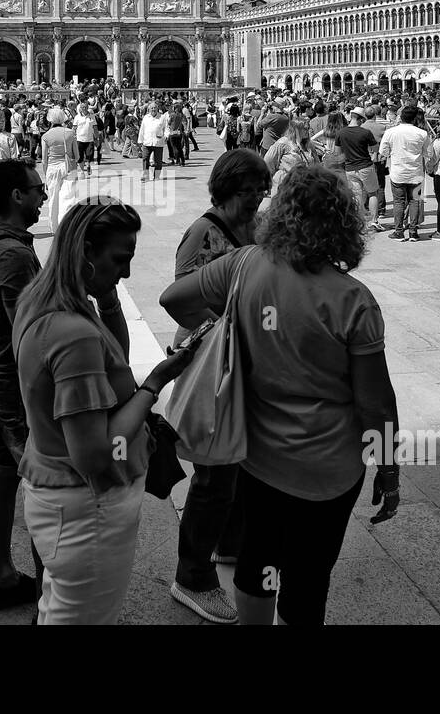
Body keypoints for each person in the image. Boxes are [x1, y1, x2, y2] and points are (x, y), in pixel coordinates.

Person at [161, 164, 401, 625]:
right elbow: (375, 403)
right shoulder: (354, 300)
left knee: (258, 559)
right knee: (309, 575)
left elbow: (174, 299)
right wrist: (388, 469)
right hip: (326, 469)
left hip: (257, 455)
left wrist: (221, 325)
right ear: (342, 222)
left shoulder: (244, 264)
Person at [13, 198, 198, 624]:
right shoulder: (73, 333)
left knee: (58, 609)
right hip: (87, 505)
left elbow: (115, 364)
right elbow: (96, 454)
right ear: (84, 253)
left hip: (54, 492)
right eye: (120, 259)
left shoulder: (41, 300)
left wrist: (110, 299)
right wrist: (156, 383)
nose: (127, 271)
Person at [166, 149, 271, 624]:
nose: (255, 199)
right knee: (212, 475)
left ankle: (229, 544)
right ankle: (192, 576)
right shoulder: (202, 231)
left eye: (259, 190)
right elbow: (178, 298)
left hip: (243, 364)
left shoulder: (257, 227)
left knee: (237, 461)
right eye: (247, 191)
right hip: (212, 362)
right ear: (225, 189)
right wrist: (222, 327)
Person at [0, 161, 48, 612]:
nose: (42, 197)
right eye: (37, 191)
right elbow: (31, 330)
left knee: (3, 473)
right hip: (17, 384)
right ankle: (48, 590)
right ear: (17, 196)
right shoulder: (14, 254)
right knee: (43, 481)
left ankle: (3, 576)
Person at [380, 105, 433, 242]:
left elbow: (383, 151)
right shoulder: (422, 133)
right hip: (415, 173)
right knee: (415, 201)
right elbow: (428, 153)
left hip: (398, 172)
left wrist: (394, 153)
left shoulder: (391, 132)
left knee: (399, 202)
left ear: (401, 117)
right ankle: (413, 231)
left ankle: (399, 231)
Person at [40, 108, 78, 233]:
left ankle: (55, 228)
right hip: (68, 167)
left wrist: (45, 176)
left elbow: (44, 160)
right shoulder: (70, 132)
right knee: (68, 198)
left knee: (53, 198)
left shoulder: (46, 136)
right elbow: (76, 155)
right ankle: (66, 226)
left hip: (52, 167)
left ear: (50, 119)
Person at [139, 102, 168, 183]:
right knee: (145, 159)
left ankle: (156, 176)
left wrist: (165, 137)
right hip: (147, 141)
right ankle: (145, 176)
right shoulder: (146, 117)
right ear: (149, 109)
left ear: (157, 108)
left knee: (158, 161)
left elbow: (166, 129)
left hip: (158, 142)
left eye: (155, 108)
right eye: (151, 108)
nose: (153, 109)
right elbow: (142, 129)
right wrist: (140, 141)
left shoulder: (162, 117)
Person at [72, 103, 97, 176]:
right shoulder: (77, 117)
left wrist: (97, 138)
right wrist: (72, 136)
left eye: (85, 107)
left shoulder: (92, 116)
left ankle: (88, 165)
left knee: (89, 155)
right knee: (80, 156)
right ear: (80, 108)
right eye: (82, 107)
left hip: (89, 139)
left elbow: (95, 127)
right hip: (79, 139)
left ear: (87, 108)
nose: (84, 108)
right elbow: (74, 128)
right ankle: (82, 171)